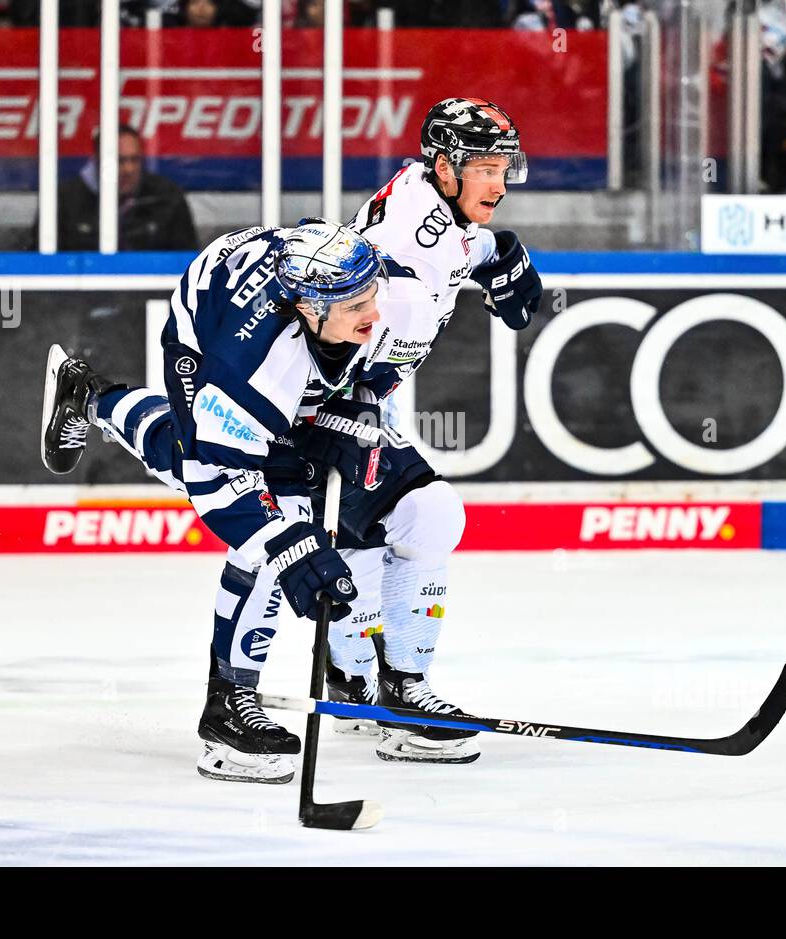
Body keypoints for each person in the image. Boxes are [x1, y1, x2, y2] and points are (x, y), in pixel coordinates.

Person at [39, 220, 445, 783]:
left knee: (429, 509)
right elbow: (219, 484)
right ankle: (227, 703)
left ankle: (399, 686)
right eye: (356, 305)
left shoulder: (378, 290)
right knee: (245, 507)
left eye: (372, 296)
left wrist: (356, 407)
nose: (372, 314)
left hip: (273, 281)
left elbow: (374, 367)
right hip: (206, 325)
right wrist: (294, 548)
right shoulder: (249, 361)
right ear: (309, 309)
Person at [214, 98, 542, 765]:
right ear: (445, 167)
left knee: (384, 524)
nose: (499, 183)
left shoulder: (437, 204)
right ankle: (390, 690)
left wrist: (501, 255)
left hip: (346, 403)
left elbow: (466, 247)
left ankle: (364, 682)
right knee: (421, 517)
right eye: (484, 167)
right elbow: (352, 322)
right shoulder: (404, 248)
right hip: (298, 414)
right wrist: (353, 405)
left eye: (504, 166)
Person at [33, 124, 198, 252]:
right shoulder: (64, 200)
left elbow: (187, 262)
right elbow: (39, 264)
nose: (129, 170)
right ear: (97, 160)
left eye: (134, 160)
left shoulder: (166, 197)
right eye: (119, 161)